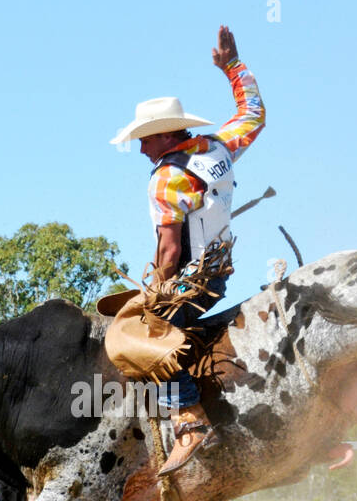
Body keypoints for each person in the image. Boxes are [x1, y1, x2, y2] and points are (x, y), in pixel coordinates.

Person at [110, 25, 265, 475]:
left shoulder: (165, 179)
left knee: (146, 336)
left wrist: (155, 293)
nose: (140, 147)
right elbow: (253, 115)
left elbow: (170, 249)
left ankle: (189, 421)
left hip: (193, 279)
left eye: (144, 138)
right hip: (220, 271)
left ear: (163, 136)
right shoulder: (217, 148)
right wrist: (234, 67)